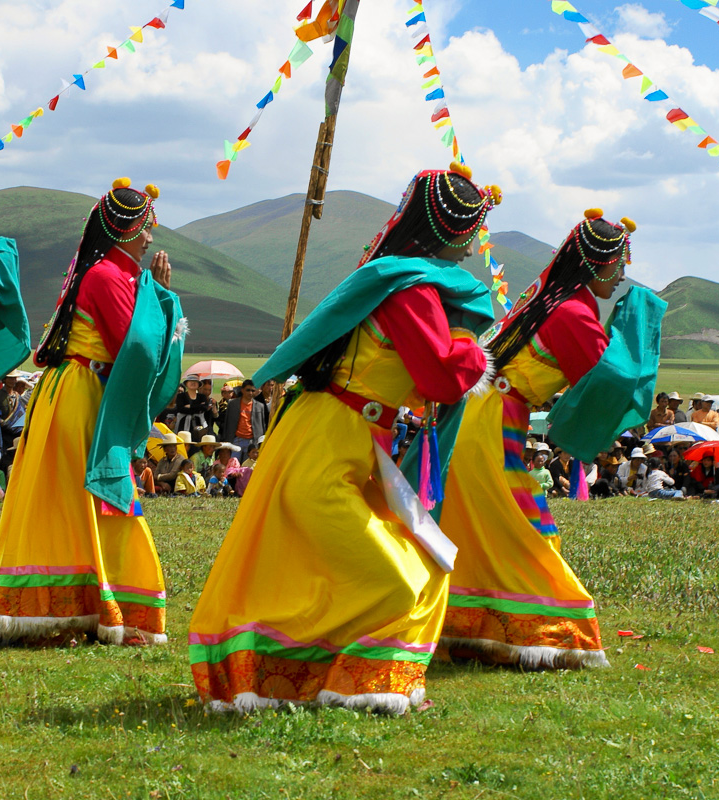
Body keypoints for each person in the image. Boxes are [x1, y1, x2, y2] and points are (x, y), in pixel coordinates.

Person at [190, 165, 500, 714]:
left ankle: (325, 677)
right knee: (396, 576)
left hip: (349, 440)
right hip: (328, 445)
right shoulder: (412, 291)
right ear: (454, 231)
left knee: (420, 565)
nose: (477, 244)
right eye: (475, 229)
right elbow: (440, 377)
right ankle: (359, 685)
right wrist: (474, 347)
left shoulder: (394, 278)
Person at [438, 208, 662, 670]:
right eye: (617, 265)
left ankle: (473, 631)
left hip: (480, 417)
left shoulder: (550, 299)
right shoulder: (575, 314)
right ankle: (552, 631)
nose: (621, 276)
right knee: (527, 527)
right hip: (492, 425)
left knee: (483, 527)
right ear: (596, 264)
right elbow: (611, 380)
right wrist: (640, 321)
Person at [0, 178, 182, 648]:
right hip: (82, 396)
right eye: (143, 228)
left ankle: (82, 605)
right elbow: (131, 346)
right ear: (124, 232)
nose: (150, 238)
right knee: (87, 497)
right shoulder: (107, 277)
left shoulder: (107, 274)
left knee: (77, 498)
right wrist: (159, 299)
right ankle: (86, 607)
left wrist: (152, 293)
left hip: (78, 392)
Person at [218, 380, 267, 454]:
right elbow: (227, 423)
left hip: (252, 441)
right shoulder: (233, 404)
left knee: (249, 464)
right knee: (234, 463)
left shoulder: (260, 406)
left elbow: (262, 425)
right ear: (242, 390)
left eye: (252, 390)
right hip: (236, 440)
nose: (250, 393)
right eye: (248, 390)